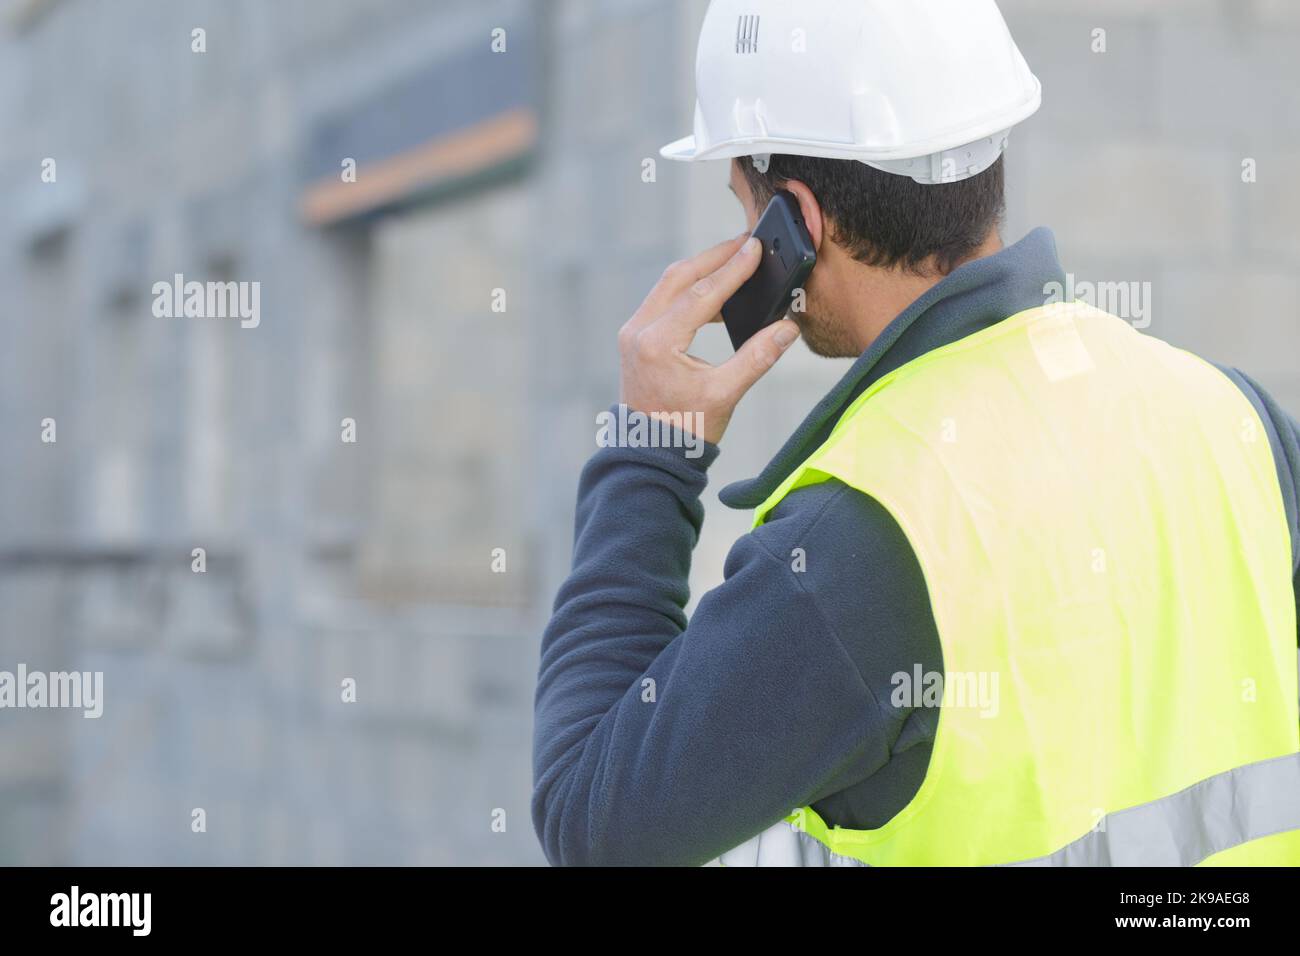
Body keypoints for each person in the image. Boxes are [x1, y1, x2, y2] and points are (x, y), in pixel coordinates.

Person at [532, 0, 1300, 866]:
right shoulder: (1235, 419)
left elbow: (586, 816)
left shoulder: (855, 548)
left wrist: (652, 453)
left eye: (744, 207)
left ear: (798, 221)